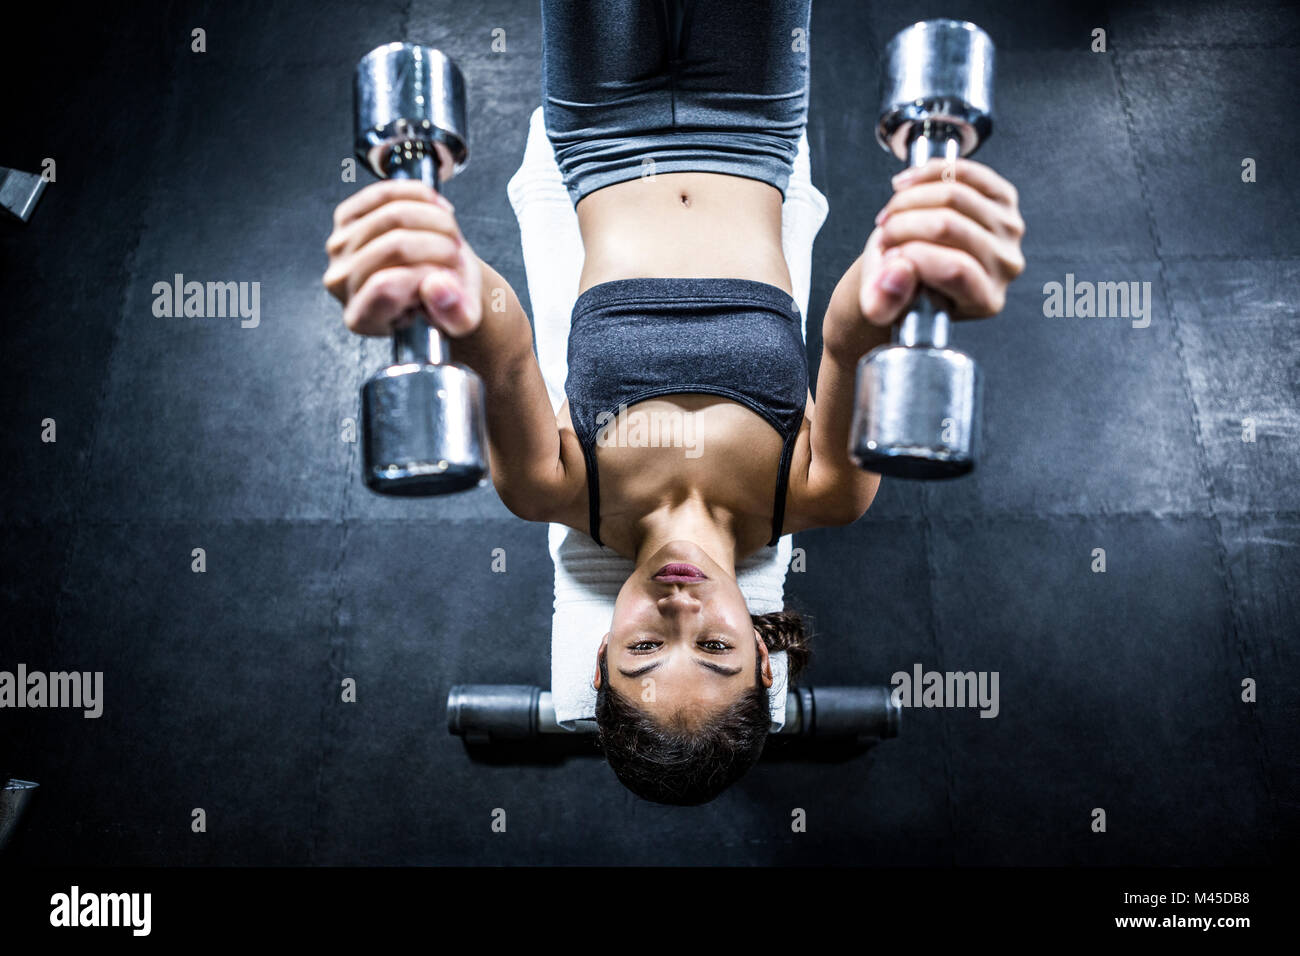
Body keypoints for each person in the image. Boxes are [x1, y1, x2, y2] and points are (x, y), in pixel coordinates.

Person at [323, 0, 1025, 804]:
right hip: (752, 126)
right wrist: (899, 271)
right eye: (717, 649)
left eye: (646, 649)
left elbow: (505, 347)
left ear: (600, 655)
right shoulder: (820, 495)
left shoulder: (552, 491)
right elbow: (844, 335)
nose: (680, 608)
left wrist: (443, 276)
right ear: (765, 659)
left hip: (600, 134)